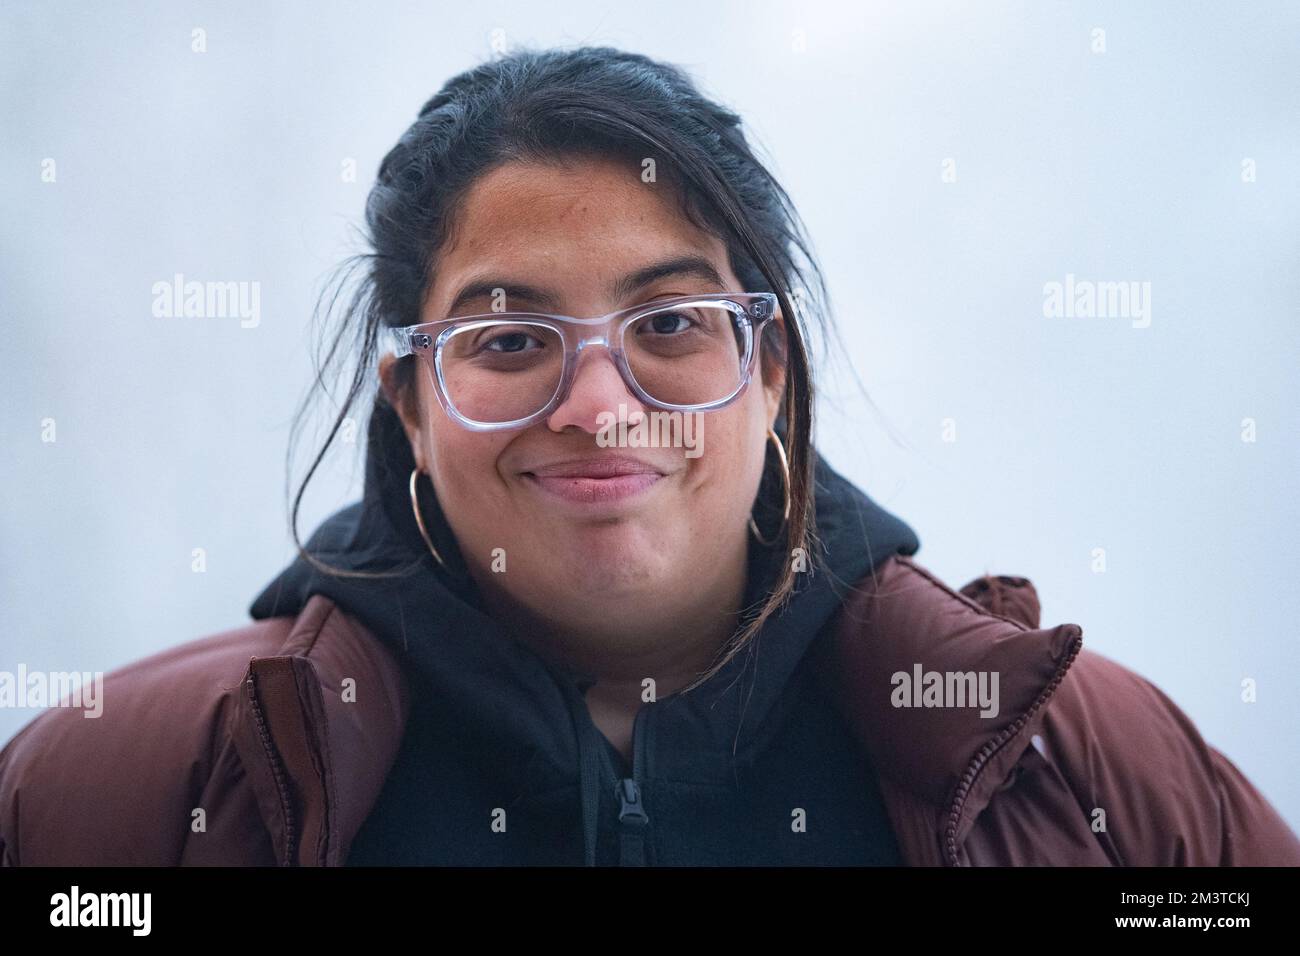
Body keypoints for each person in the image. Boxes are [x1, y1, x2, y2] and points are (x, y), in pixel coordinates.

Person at [2, 46, 1297, 867]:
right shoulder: (122, 792)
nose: (600, 404)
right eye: (510, 338)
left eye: (670, 323)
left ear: (771, 364)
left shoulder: (1089, 777)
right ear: (411, 397)